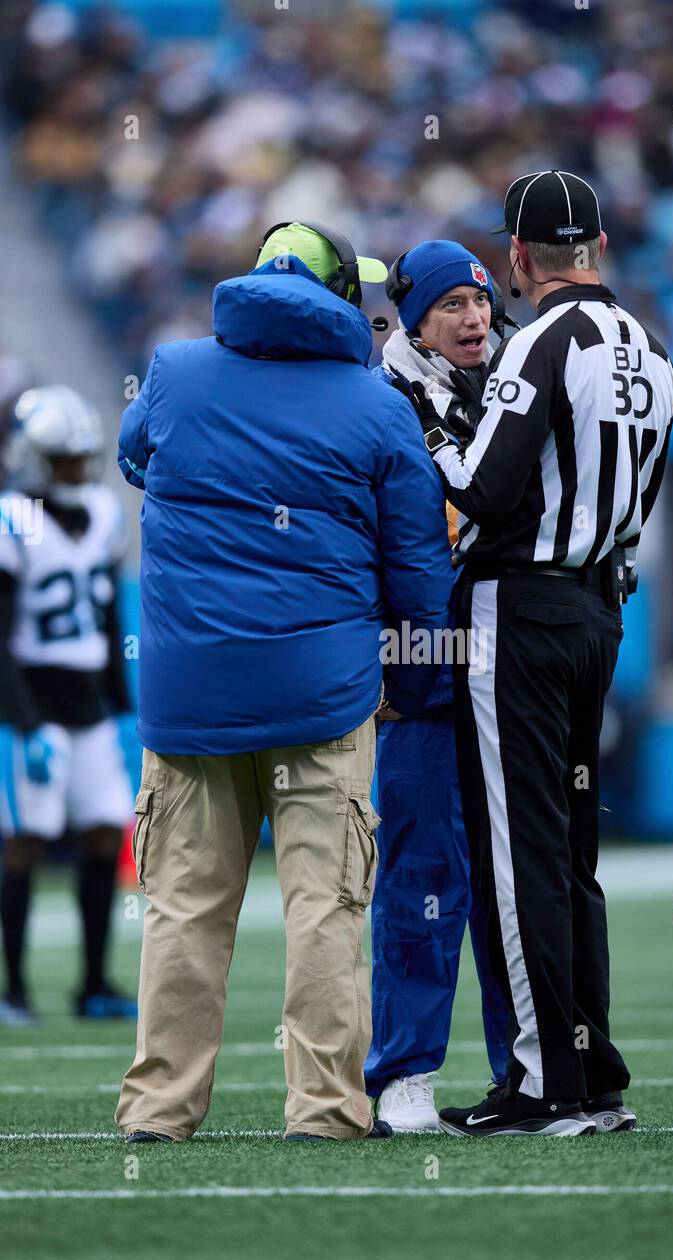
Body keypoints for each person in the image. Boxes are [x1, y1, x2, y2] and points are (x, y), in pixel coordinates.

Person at [113, 222, 453, 1143]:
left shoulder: (175, 369)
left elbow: (133, 457)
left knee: (183, 909)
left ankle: (159, 1110)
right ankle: (326, 1109)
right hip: (324, 695)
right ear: (341, 295)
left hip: (189, 692)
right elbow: (419, 566)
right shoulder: (377, 404)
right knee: (326, 910)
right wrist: (418, 680)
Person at [403, 170, 673, 1137]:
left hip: (516, 613)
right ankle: (590, 1067)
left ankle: (543, 1079)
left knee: (520, 855)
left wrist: (424, 421)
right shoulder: (652, 347)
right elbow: (633, 509)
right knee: (571, 851)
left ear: (519, 258)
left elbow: (480, 488)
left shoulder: (544, 339)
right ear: (597, 244)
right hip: (597, 612)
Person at [365, 241, 512, 1131]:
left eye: (482, 302)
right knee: (422, 873)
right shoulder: (381, 403)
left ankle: (525, 1070)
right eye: (452, 305)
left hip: (510, 664)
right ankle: (407, 1072)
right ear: (413, 317)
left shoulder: (514, 388)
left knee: (517, 875)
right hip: (420, 668)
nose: (474, 319)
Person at [0, 385, 135, 1025]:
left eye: (82, 459)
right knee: (23, 839)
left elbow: (107, 615)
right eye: (63, 460)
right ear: (32, 458)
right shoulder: (14, 516)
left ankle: (92, 983)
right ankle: (14, 990)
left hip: (87, 704)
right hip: (34, 697)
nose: (77, 471)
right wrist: (26, 722)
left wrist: (119, 698)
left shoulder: (103, 512)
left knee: (105, 833)